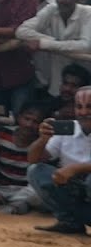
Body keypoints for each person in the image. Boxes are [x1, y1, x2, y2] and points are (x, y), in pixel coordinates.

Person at [27, 86, 91, 234]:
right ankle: (69, 222)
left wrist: (75, 169)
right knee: (35, 171)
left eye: (89, 107)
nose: (83, 112)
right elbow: (33, 160)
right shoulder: (68, 128)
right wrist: (42, 139)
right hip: (73, 191)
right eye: (79, 107)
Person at [16, 0, 91, 99]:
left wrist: (44, 44)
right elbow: (22, 31)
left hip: (85, 73)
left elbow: (85, 45)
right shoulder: (51, 9)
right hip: (57, 77)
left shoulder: (88, 12)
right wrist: (54, 42)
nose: (61, 0)